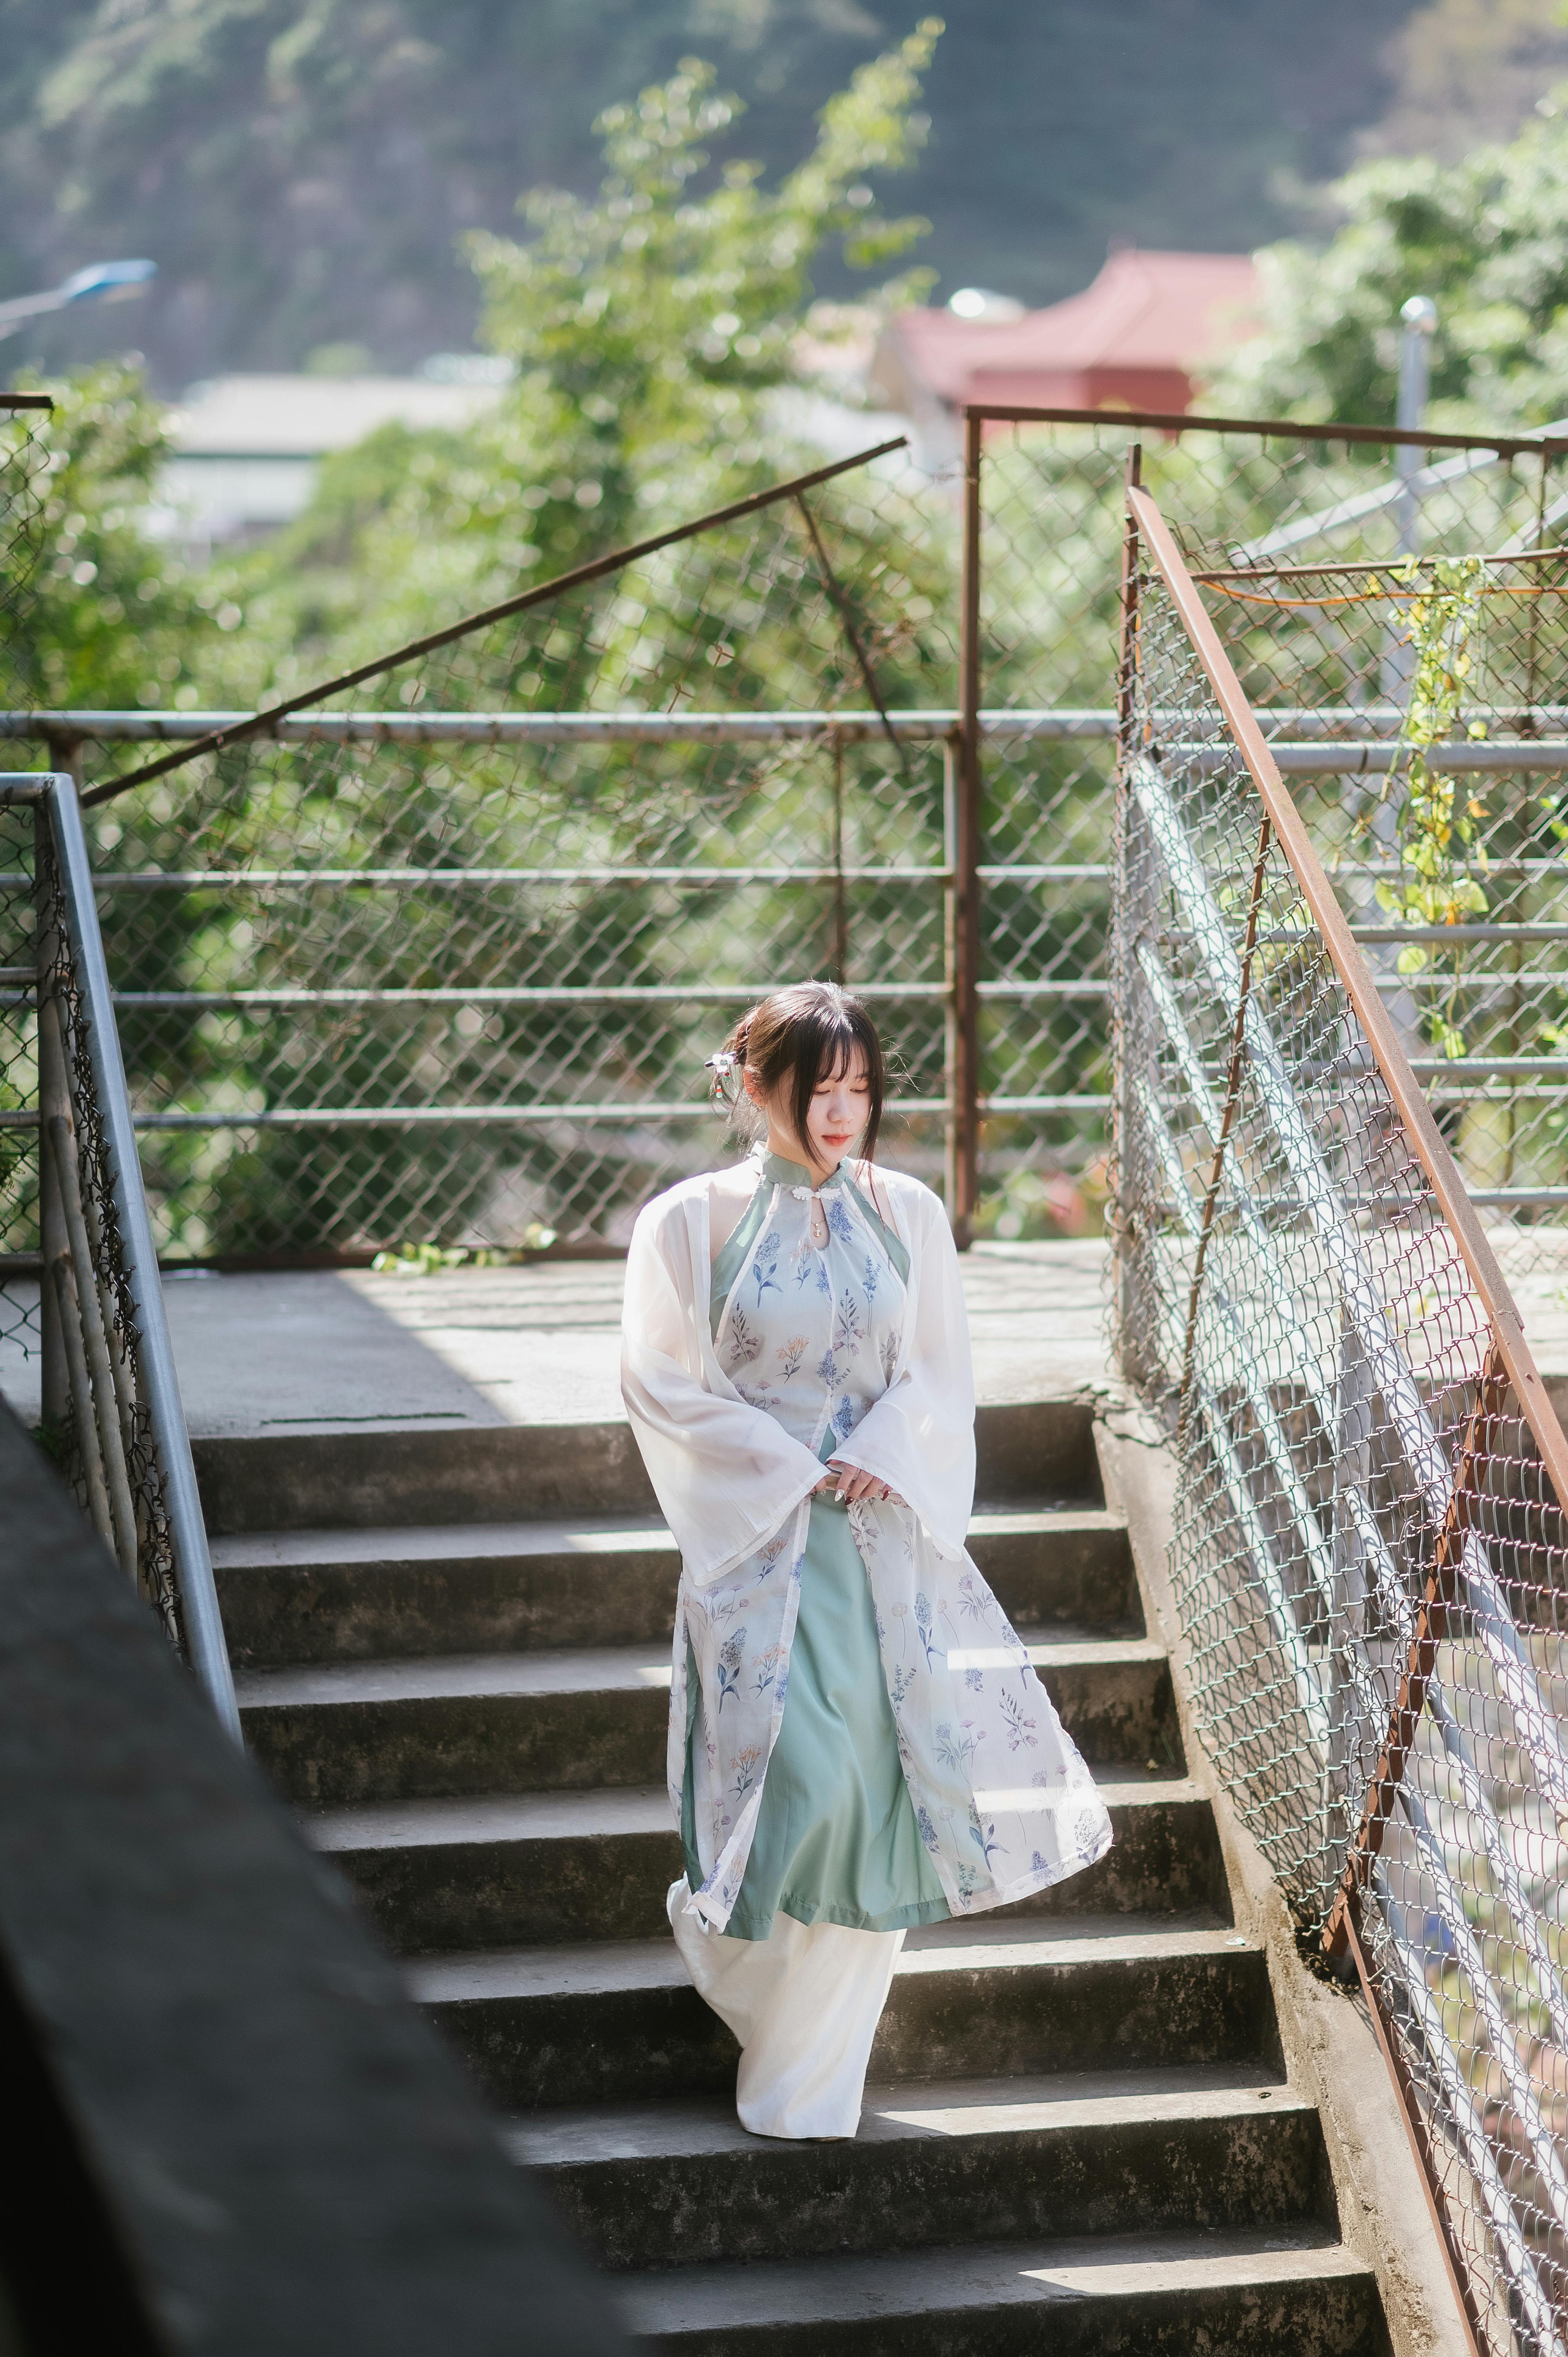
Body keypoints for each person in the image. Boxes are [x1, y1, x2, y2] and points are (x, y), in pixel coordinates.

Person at [620, 981, 1112, 2141]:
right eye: (816, 1089)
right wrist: (782, 1463)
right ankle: (720, 1942)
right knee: (795, 1792)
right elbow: (656, 1381)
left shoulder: (908, 1213)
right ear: (755, 1087)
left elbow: (938, 1374)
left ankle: (805, 2088)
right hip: (757, 1540)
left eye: (858, 1090)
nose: (842, 1113)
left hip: (881, 1538)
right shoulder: (687, 1222)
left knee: (873, 1798)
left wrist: (886, 1456)